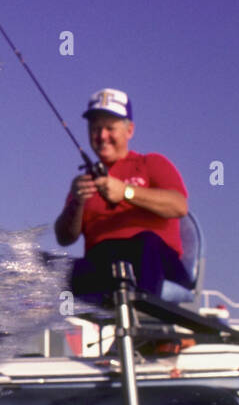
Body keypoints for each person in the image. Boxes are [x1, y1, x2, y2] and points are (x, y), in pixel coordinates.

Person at [54, 88, 192, 298]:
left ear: (129, 131)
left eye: (110, 128)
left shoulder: (152, 163)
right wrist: (77, 203)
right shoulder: (84, 182)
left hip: (157, 263)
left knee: (145, 243)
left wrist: (126, 192)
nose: (102, 136)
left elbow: (179, 206)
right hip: (102, 265)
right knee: (41, 266)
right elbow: (64, 238)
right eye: (95, 128)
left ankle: (139, 317)